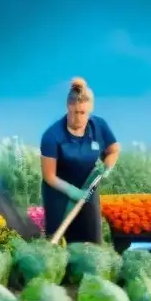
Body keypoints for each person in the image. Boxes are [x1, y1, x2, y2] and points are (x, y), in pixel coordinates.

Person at [39, 77, 120, 244]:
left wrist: (107, 165)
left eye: (82, 113)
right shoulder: (52, 135)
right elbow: (49, 176)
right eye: (75, 112)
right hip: (59, 194)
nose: (78, 118)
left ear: (90, 109)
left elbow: (113, 150)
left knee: (91, 240)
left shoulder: (99, 126)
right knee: (60, 242)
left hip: (88, 188)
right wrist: (72, 191)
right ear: (68, 107)